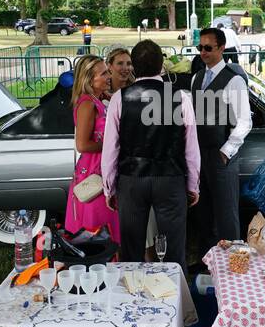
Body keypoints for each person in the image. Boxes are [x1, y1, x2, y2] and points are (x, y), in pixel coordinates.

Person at [102, 39, 200, 270]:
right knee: (175, 247)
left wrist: (109, 187)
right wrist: (193, 184)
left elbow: (110, 148)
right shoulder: (181, 97)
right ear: (161, 66)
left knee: (131, 247)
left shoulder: (119, 98)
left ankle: (131, 299)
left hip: (131, 179)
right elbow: (191, 147)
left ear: (134, 66)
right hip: (170, 178)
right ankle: (176, 298)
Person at [191, 26, 252, 261]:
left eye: (208, 48)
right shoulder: (197, 77)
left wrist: (226, 152)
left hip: (221, 155)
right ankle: (209, 263)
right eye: (200, 48)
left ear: (222, 48)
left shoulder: (234, 80)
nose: (203, 53)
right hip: (199, 156)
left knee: (227, 215)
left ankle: (235, 264)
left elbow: (244, 122)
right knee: (203, 213)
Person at [64, 55, 121, 242]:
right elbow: (82, 144)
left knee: (108, 223)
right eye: (104, 73)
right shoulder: (87, 104)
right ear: (89, 78)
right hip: (93, 172)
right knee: (98, 226)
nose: (109, 76)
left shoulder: (97, 99)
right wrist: (112, 144)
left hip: (101, 167)